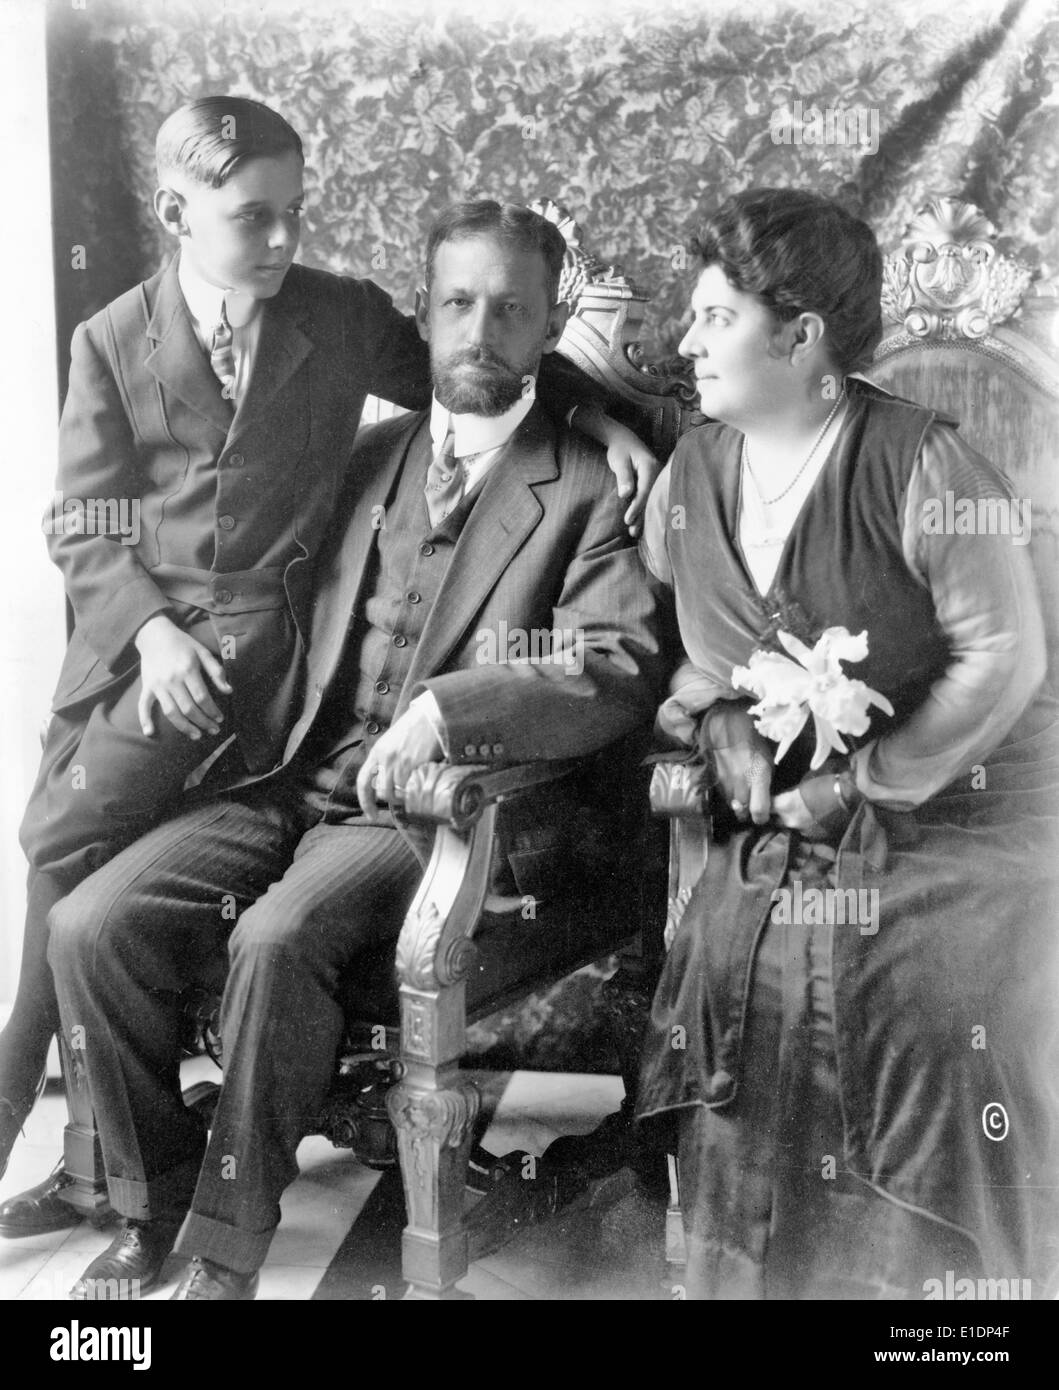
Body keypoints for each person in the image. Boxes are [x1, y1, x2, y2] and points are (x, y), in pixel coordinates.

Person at [0, 98, 658, 1228]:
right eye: (254, 218)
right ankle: (92, 1164)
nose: (281, 243)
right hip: (171, 686)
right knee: (66, 912)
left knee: (245, 931)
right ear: (177, 213)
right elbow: (83, 518)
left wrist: (610, 425)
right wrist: (151, 631)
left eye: (295, 216)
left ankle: (176, 1208)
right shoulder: (117, 338)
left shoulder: (342, 319)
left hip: (318, 726)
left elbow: (482, 367)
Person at [636, 187, 1059, 1299]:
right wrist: (725, 719)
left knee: (926, 983)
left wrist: (867, 782)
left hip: (968, 803)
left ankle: (932, 1300)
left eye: (714, 316)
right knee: (739, 952)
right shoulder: (691, 477)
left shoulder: (926, 464)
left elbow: (1005, 660)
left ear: (802, 334)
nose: (687, 341)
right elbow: (703, 660)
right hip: (790, 820)